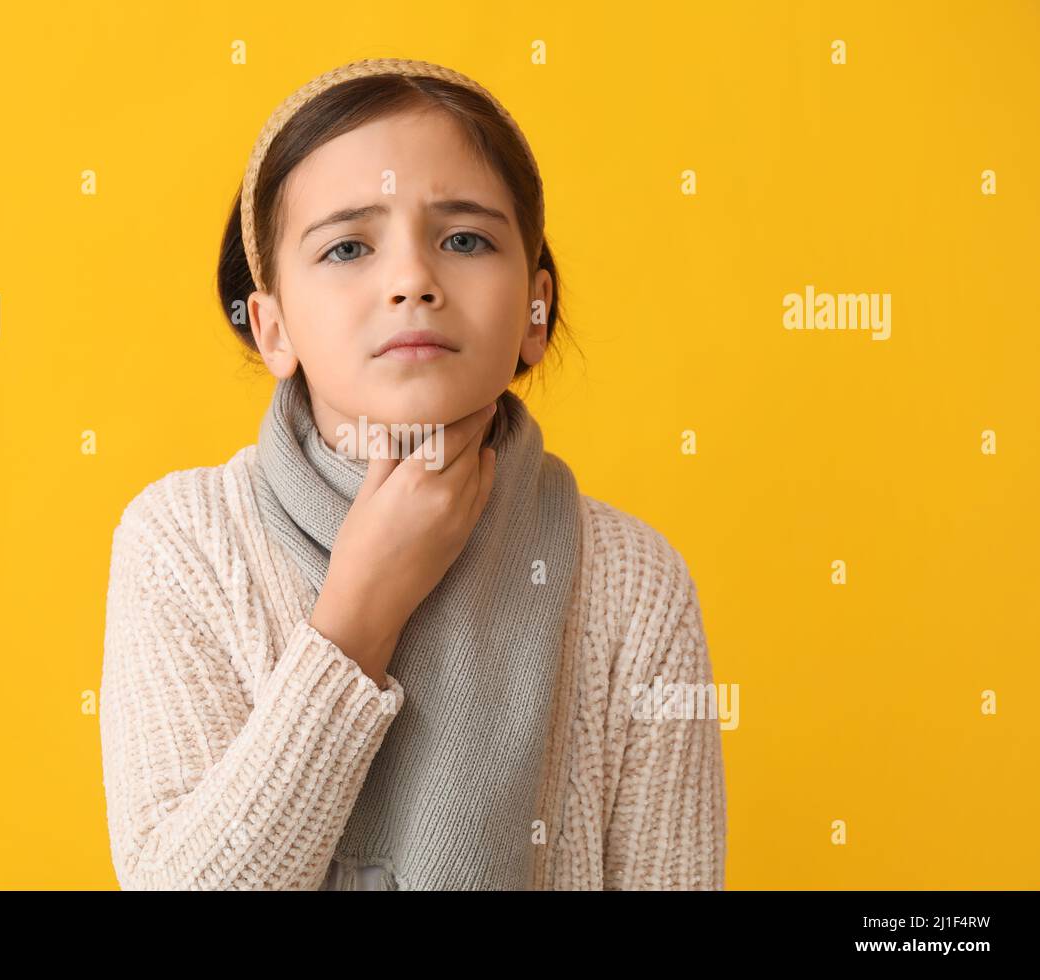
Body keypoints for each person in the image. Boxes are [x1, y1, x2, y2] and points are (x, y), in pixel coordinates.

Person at [99, 57, 727, 891]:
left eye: (463, 239)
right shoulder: (183, 542)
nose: (412, 282)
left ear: (536, 311)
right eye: (348, 247)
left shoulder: (634, 583)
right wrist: (358, 615)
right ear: (273, 328)